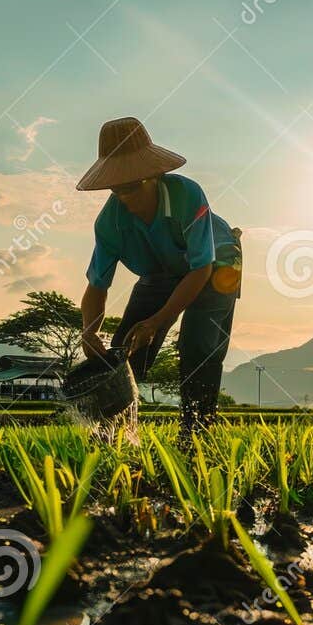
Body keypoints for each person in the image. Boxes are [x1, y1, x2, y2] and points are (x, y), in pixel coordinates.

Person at [76, 117, 242, 434]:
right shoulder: (109, 222)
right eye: (117, 190)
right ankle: (113, 430)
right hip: (161, 272)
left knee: (197, 347)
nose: (126, 198)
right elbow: (97, 287)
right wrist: (88, 331)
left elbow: (200, 269)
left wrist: (159, 321)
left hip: (216, 265)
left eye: (134, 187)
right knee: (127, 346)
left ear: (155, 176)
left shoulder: (187, 195)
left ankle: (198, 429)